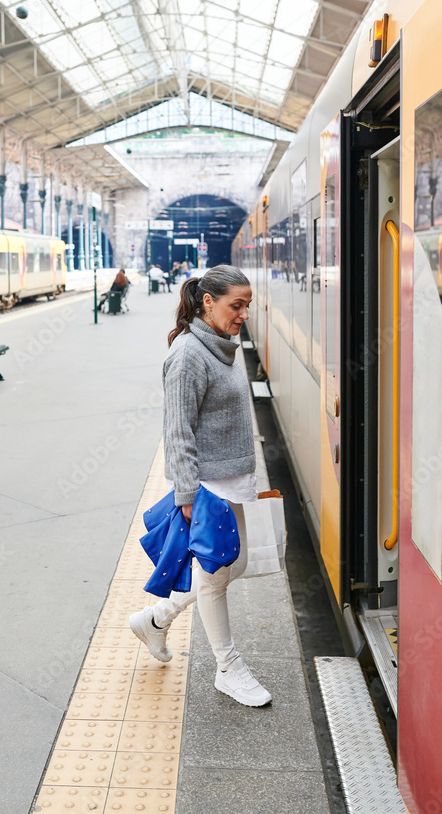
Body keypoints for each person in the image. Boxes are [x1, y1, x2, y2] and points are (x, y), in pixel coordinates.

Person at [129, 265, 271, 707]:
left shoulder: (221, 347)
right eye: (237, 305)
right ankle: (228, 669)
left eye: (247, 305)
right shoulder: (189, 355)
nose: (244, 314)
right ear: (208, 302)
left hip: (233, 477)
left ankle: (156, 619)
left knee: (235, 564)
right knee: (214, 578)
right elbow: (177, 431)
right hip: (209, 485)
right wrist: (187, 493)